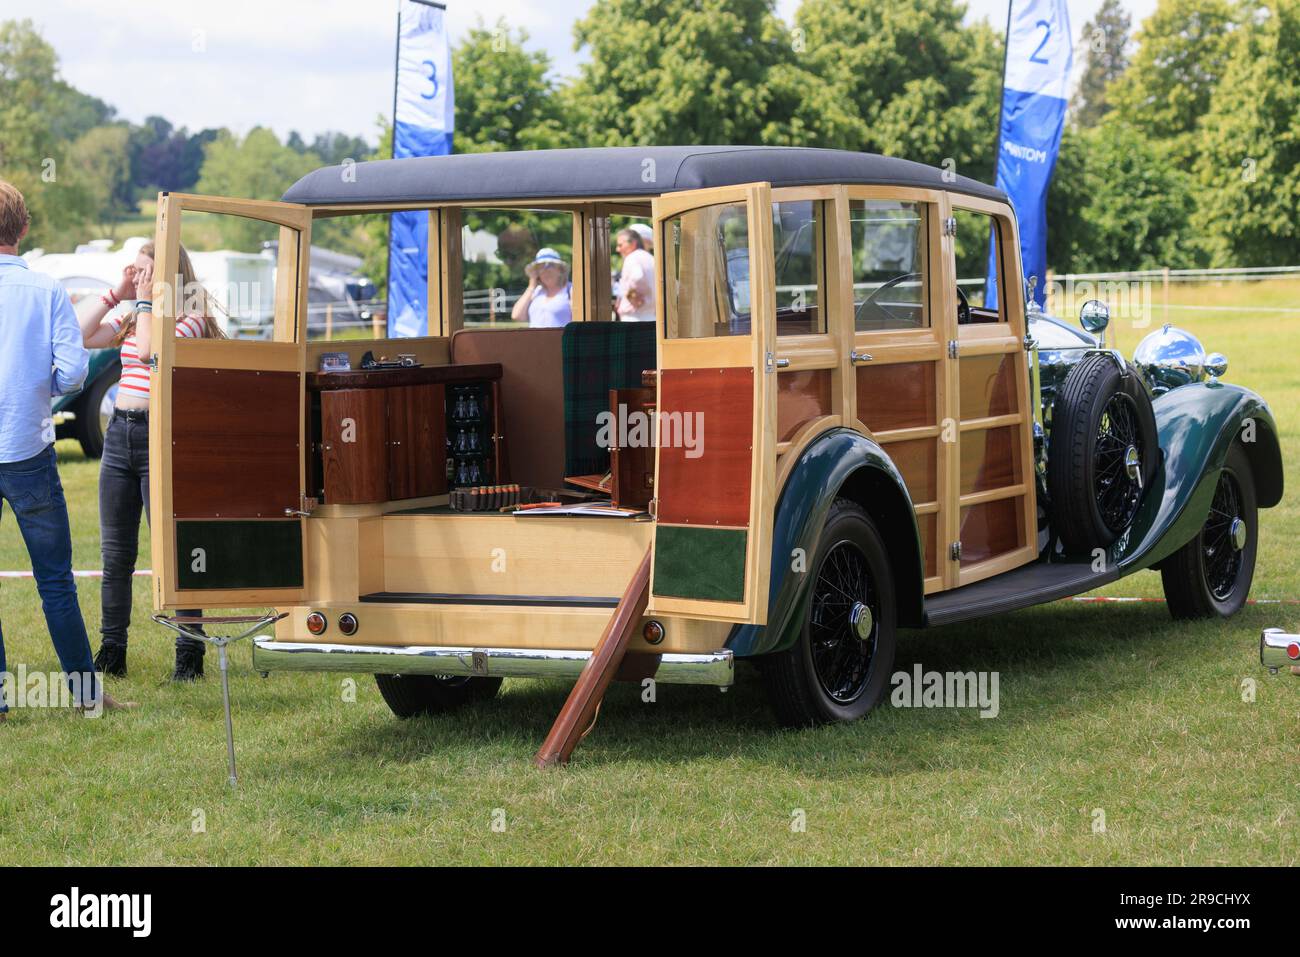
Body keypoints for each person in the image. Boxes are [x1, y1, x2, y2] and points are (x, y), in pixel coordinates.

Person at [0, 179, 130, 718]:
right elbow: (74, 372)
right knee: (55, 581)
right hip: (27, 448)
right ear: (24, 228)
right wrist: (41, 386)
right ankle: (86, 695)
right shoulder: (46, 289)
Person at [76, 241, 223, 681]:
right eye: (134, 270)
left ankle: (189, 651)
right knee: (115, 554)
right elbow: (82, 334)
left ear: (168, 274)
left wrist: (142, 301)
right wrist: (117, 291)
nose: (136, 276)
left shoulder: (190, 319)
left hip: (162, 438)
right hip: (120, 435)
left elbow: (146, 353)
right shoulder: (136, 313)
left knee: (175, 549)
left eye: (144, 270)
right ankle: (112, 650)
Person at [511, 248, 572, 328]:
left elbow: (579, 319)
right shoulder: (536, 291)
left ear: (560, 270)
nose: (546, 271)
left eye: (551, 266)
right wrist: (531, 286)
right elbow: (517, 316)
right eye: (541, 267)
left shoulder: (570, 289)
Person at [615, 228, 656, 321]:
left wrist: (632, 296)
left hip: (633, 317)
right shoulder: (651, 258)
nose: (618, 249)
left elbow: (637, 277)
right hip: (651, 316)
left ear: (633, 244)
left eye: (620, 245)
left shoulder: (632, 258)